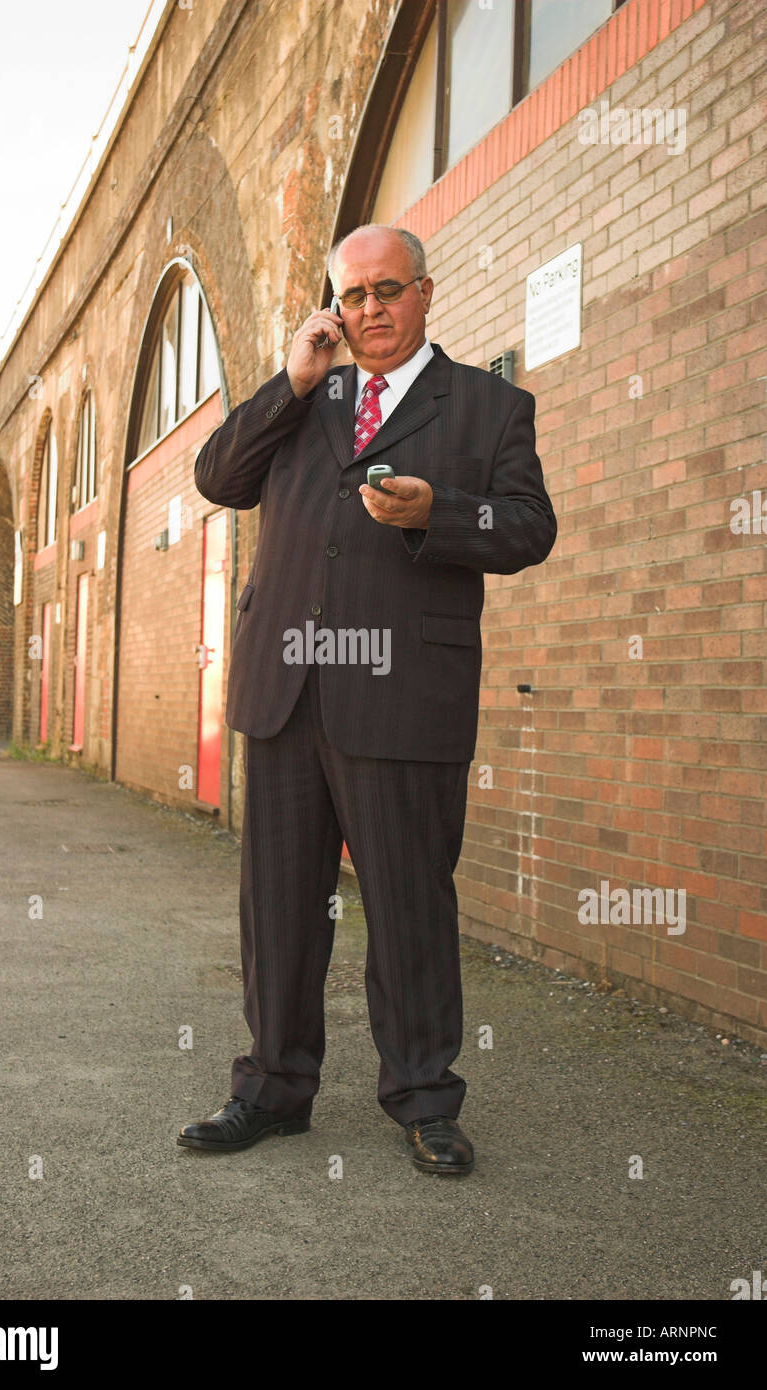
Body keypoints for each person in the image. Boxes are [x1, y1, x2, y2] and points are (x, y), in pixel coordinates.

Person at [179, 224, 556, 1174]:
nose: (369, 311)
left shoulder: (487, 405)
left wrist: (440, 512)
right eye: (352, 297)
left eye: (387, 290)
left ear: (425, 293)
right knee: (278, 907)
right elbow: (217, 477)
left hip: (403, 693)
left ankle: (426, 1100)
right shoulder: (308, 396)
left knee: (408, 905)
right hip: (286, 689)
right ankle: (270, 1089)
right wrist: (292, 379)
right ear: (334, 309)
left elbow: (529, 526)